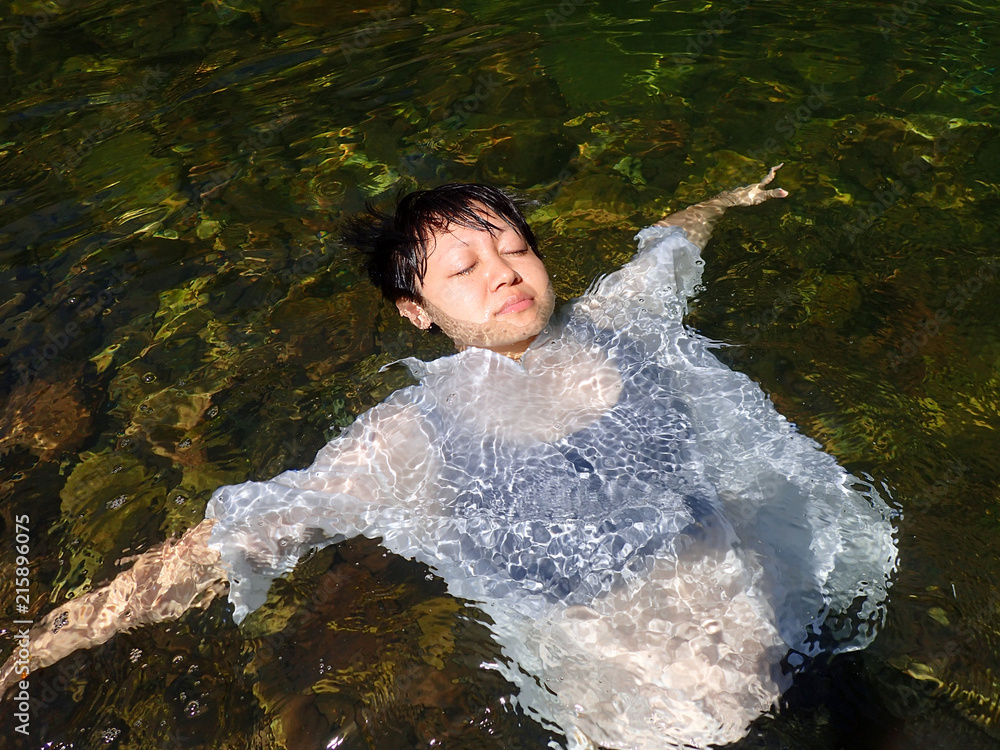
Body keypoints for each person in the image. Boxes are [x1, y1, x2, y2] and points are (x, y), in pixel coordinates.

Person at [1, 166, 897, 749]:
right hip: (666, 725)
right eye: (463, 267)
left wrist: (725, 202)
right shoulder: (413, 438)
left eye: (511, 245)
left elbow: (668, 245)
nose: (504, 270)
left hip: (808, 639)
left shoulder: (625, 325)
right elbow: (239, 535)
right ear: (415, 314)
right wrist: (33, 649)